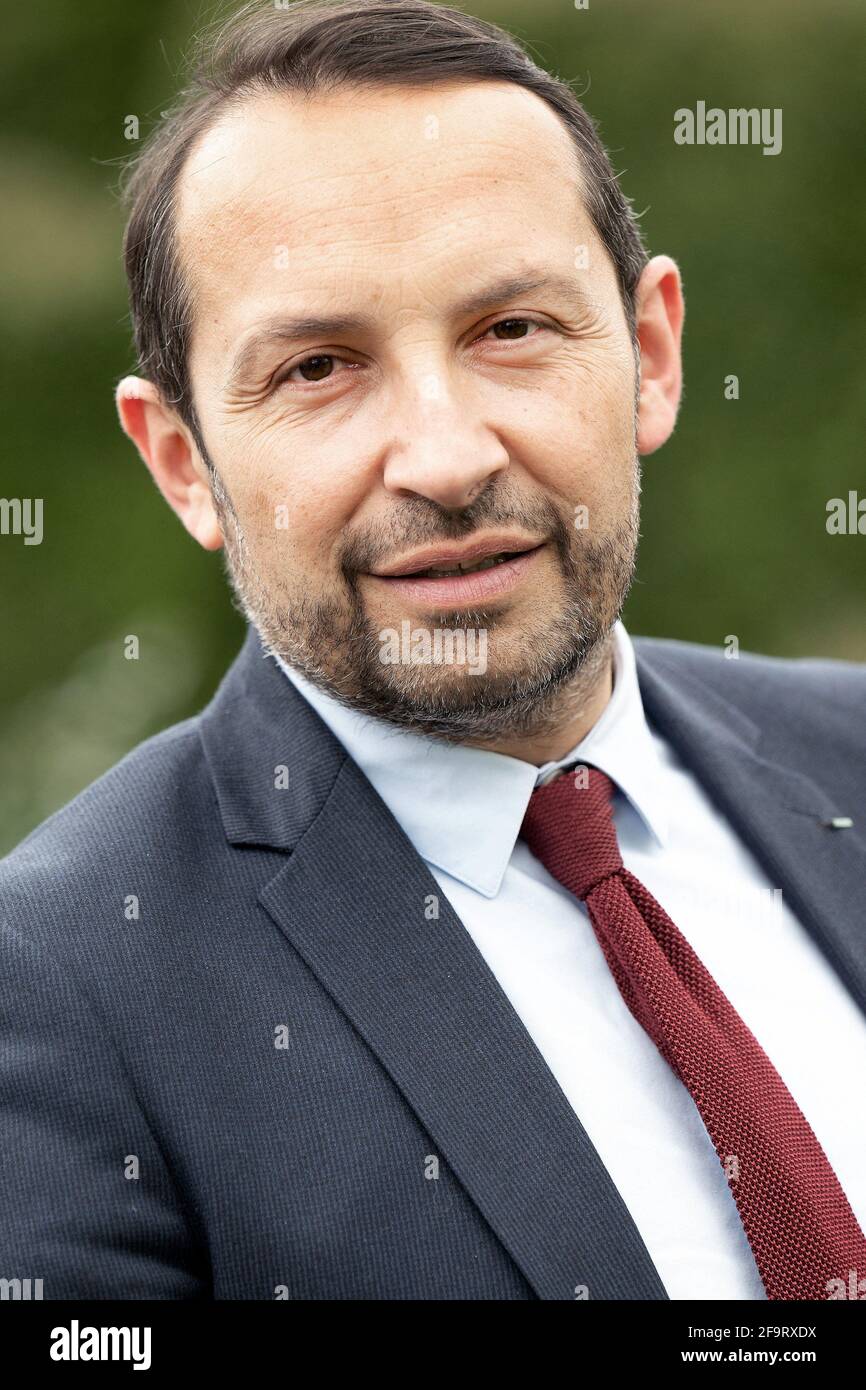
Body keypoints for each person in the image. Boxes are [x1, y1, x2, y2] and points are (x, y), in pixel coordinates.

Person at [2, 0, 865, 1302]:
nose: (448, 457)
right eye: (317, 368)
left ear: (647, 353)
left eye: (511, 329)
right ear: (181, 462)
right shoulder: (62, 989)